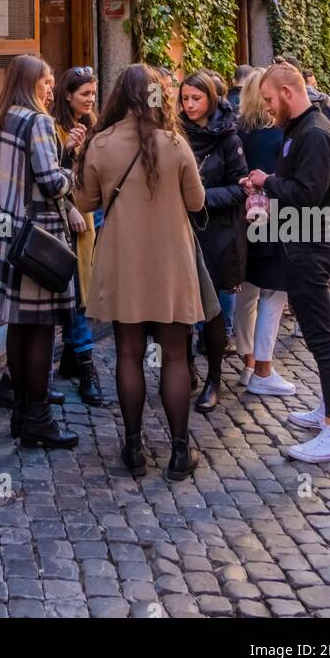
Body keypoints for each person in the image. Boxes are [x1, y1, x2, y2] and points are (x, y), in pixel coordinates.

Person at [74, 64, 207, 480]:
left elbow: (84, 202)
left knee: (127, 353)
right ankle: (180, 451)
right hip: (170, 259)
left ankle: (133, 448)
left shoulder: (101, 143)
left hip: (122, 258)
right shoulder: (175, 143)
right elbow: (197, 202)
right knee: (174, 355)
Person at [244, 64, 330, 463]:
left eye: (270, 100)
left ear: (288, 92)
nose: (268, 110)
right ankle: (328, 412)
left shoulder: (315, 133)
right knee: (320, 332)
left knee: (321, 337)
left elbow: (306, 193)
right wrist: (268, 179)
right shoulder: (303, 129)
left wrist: (265, 182)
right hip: (301, 241)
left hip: (308, 245)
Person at [0, 54, 78, 450]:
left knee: (18, 326)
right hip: (36, 234)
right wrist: (72, 170)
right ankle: (37, 419)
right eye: (46, 81)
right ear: (28, 83)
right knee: (40, 328)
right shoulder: (37, 122)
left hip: (2, 232)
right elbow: (52, 182)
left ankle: (22, 410)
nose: (51, 88)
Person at [179, 71, 248, 413]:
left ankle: (214, 378)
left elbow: (240, 188)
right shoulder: (175, 132)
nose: (189, 105)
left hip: (217, 234)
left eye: (196, 98)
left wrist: (201, 198)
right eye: (185, 98)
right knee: (180, 311)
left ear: (210, 99)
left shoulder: (228, 137)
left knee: (213, 312)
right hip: (181, 232)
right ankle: (188, 368)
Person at [234, 69, 294, 396]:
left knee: (247, 291)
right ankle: (263, 368)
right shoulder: (280, 135)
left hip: (244, 217)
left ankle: (247, 362)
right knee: (274, 291)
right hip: (274, 217)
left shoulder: (237, 132)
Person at [53, 67, 104, 405]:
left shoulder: (92, 124)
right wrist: (67, 152)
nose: (90, 99)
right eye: (84, 94)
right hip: (68, 217)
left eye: (92, 93)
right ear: (68, 94)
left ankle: (71, 358)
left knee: (83, 289)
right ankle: (87, 367)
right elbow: (49, 177)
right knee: (79, 295)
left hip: (92, 211)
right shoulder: (54, 128)